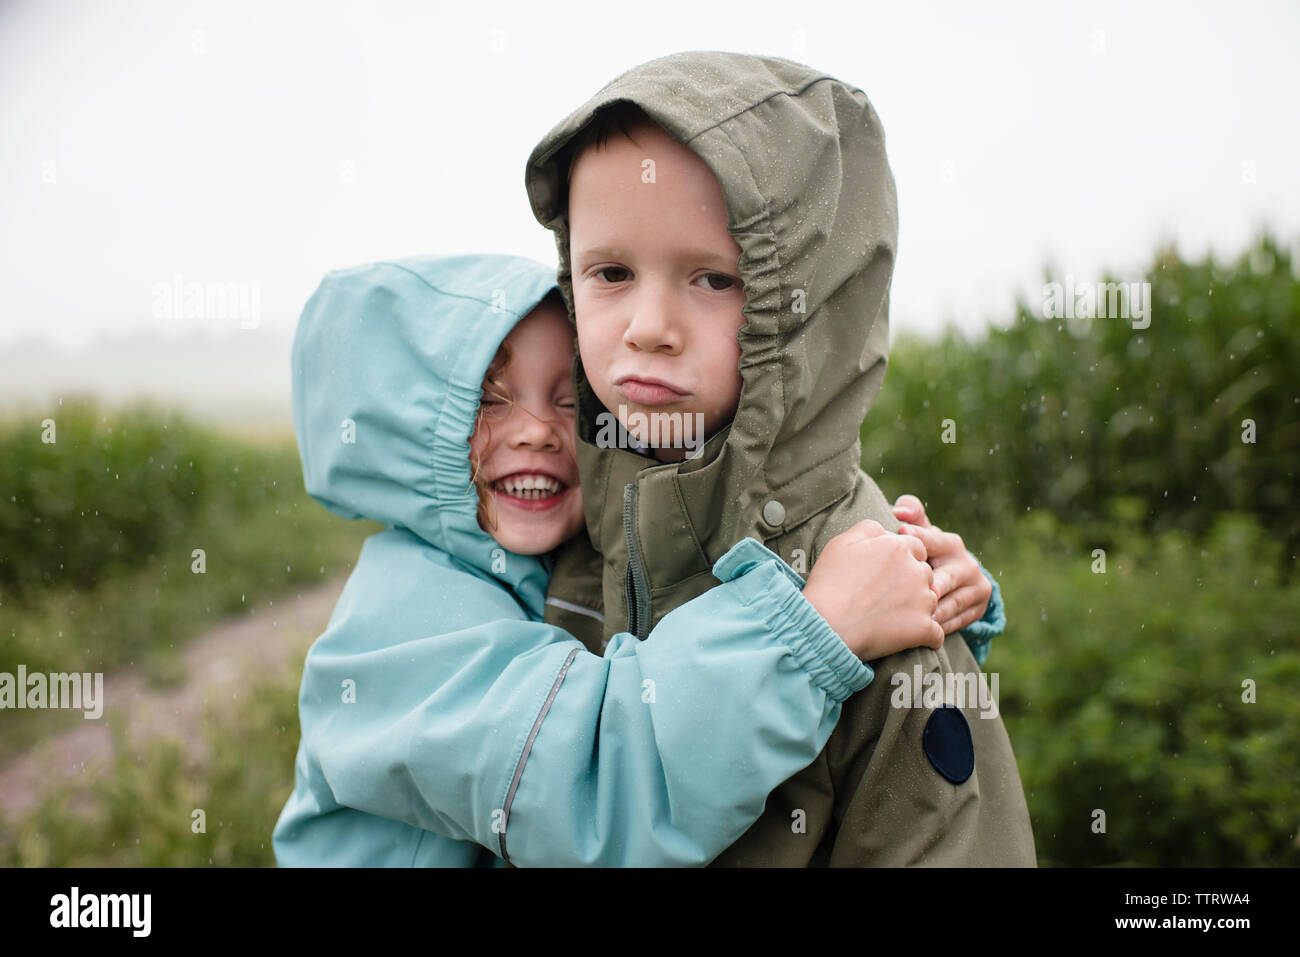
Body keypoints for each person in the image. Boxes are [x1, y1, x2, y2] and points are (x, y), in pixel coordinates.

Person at [271, 252, 991, 867]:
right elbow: (594, 782)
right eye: (489, 399)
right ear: (401, 429)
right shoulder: (403, 620)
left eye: (568, 401)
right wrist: (814, 629)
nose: (538, 432)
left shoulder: (551, 564)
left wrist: (919, 583)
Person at [524, 51, 1037, 865]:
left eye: (714, 279)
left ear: (813, 300)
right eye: (612, 271)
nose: (648, 325)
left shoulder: (889, 606)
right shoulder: (550, 538)